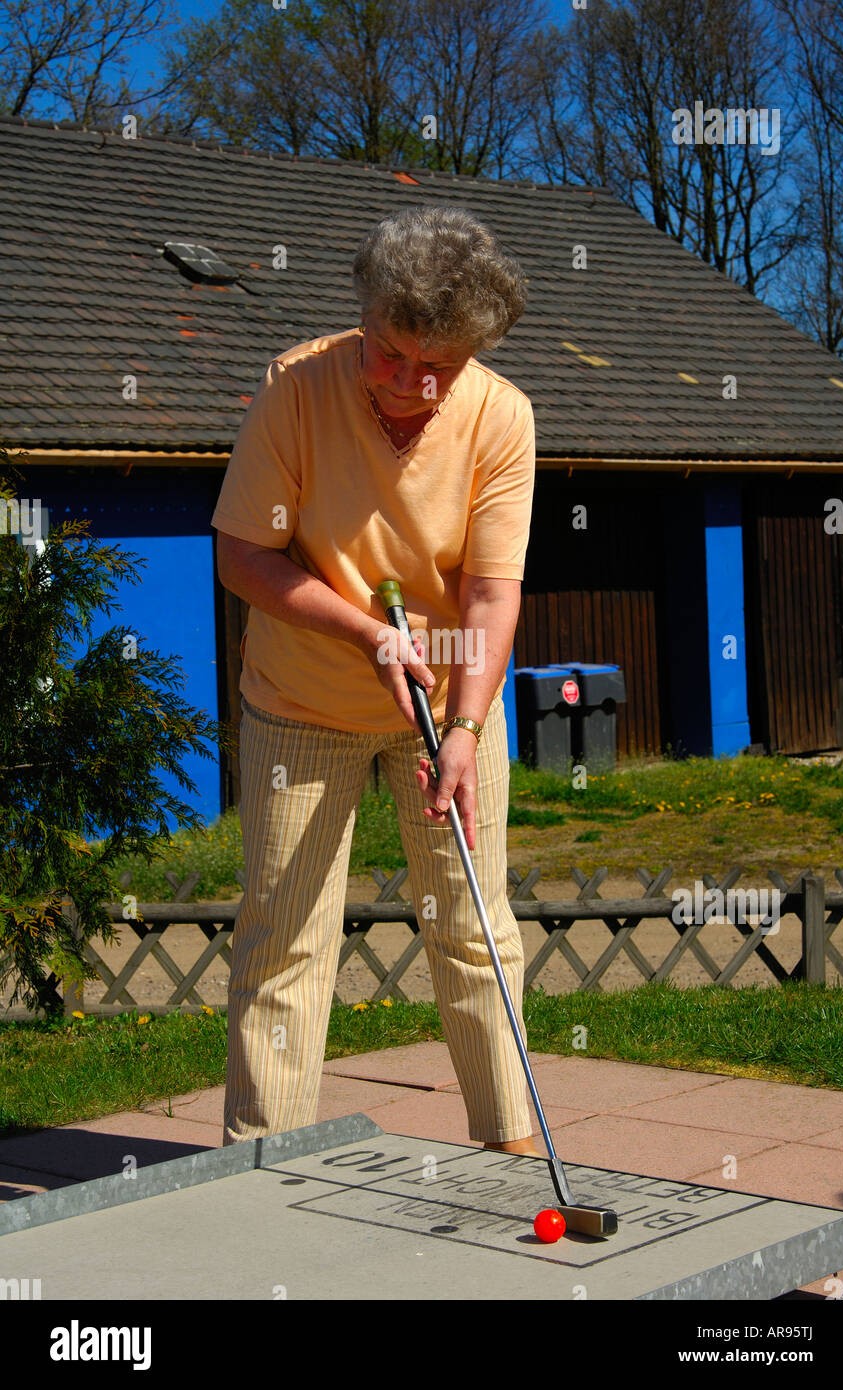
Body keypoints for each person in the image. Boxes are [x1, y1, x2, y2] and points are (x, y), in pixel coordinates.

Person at [212, 203, 540, 1157]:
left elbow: (488, 594)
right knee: (284, 941)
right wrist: (365, 634)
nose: (409, 383)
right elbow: (243, 554)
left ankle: (510, 1141)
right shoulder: (297, 389)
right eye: (390, 354)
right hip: (302, 701)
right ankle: (260, 1165)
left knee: (476, 928)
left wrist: (468, 731)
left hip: (447, 711)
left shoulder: (501, 417)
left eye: (437, 365)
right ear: (364, 320)